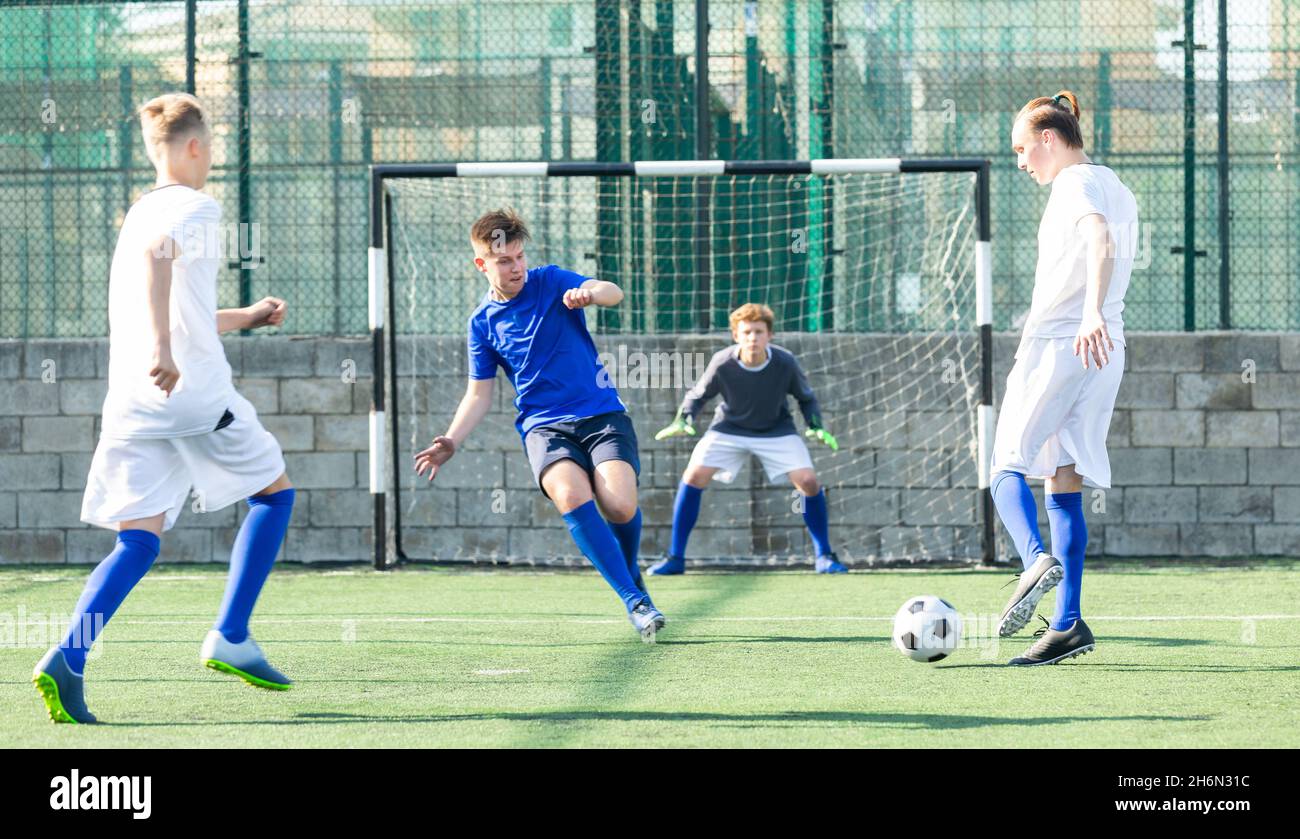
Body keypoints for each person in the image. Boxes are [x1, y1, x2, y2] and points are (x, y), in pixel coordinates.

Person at [34, 93, 296, 725]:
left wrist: (249, 316)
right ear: (196, 147)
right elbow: (161, 266)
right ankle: (231, 634)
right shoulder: (199, 205)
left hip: (132, 401)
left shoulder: (139, 213)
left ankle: (68, 658)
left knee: (138, 541)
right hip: (191, 395)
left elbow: (181, 304)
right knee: (274, 492)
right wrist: (163, 348)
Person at [414, 208, 665, 641]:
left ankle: (631, 578)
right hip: (544, 427)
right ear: (482, 265)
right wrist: (452, 440)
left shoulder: (550, 280)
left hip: (601, 414)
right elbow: (480, 393)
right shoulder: (482, 323)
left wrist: (589, 294)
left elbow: (613, 292)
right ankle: (635, 600)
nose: (516, 267)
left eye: (519, 256)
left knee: (620, 506)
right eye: (504, 261)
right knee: (570, 493)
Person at [993, 89, 1138, 665]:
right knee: (1062, 478)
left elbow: (1098, 237)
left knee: (1004, 465)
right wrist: (1099, 316)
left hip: (1064, 341)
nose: (1021, 161)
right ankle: (1069, 622)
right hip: (1105, 350)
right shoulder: (1114, 181)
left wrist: (1088, 311)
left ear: (1049, 140)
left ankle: (1034, 561)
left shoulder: (1073, 183)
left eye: (1022, 149)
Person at [650, 303, 845, 575]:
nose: (752, 337)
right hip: (728, 429)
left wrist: (815, 425)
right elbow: (698, 395)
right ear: (736, 335)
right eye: (747, 332)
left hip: (777, 430)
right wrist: (685, 419)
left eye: (758, 332)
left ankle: (824, 555)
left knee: (809, 482)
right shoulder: (723, 361)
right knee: (693, 476)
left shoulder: (785, 362)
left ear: (770, 335)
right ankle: (675, 557)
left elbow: (806, 398)